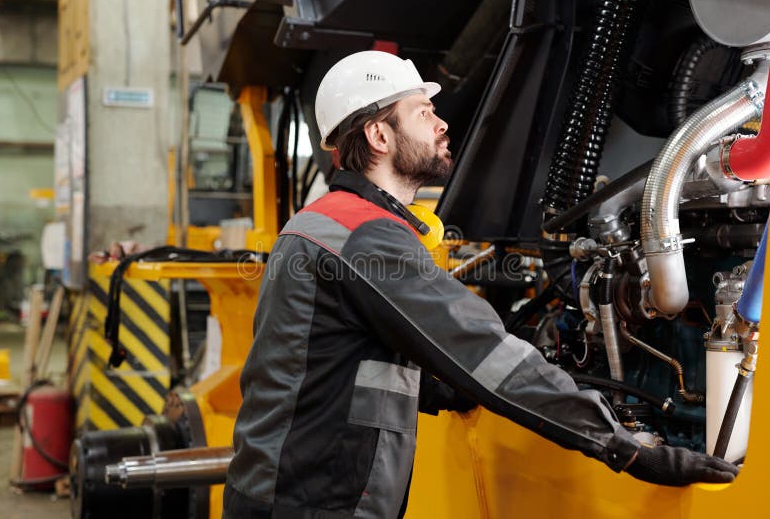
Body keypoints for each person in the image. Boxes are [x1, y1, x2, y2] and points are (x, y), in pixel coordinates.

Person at [223, 51, 738, 519]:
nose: (442, 123)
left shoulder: (323, 222)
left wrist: (438, 385)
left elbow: (328, 357)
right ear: (379, 136)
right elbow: (489, 357)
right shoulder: (366, 237)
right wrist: (623, 446)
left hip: (280, 493)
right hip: (312, 505)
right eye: (423, 112)